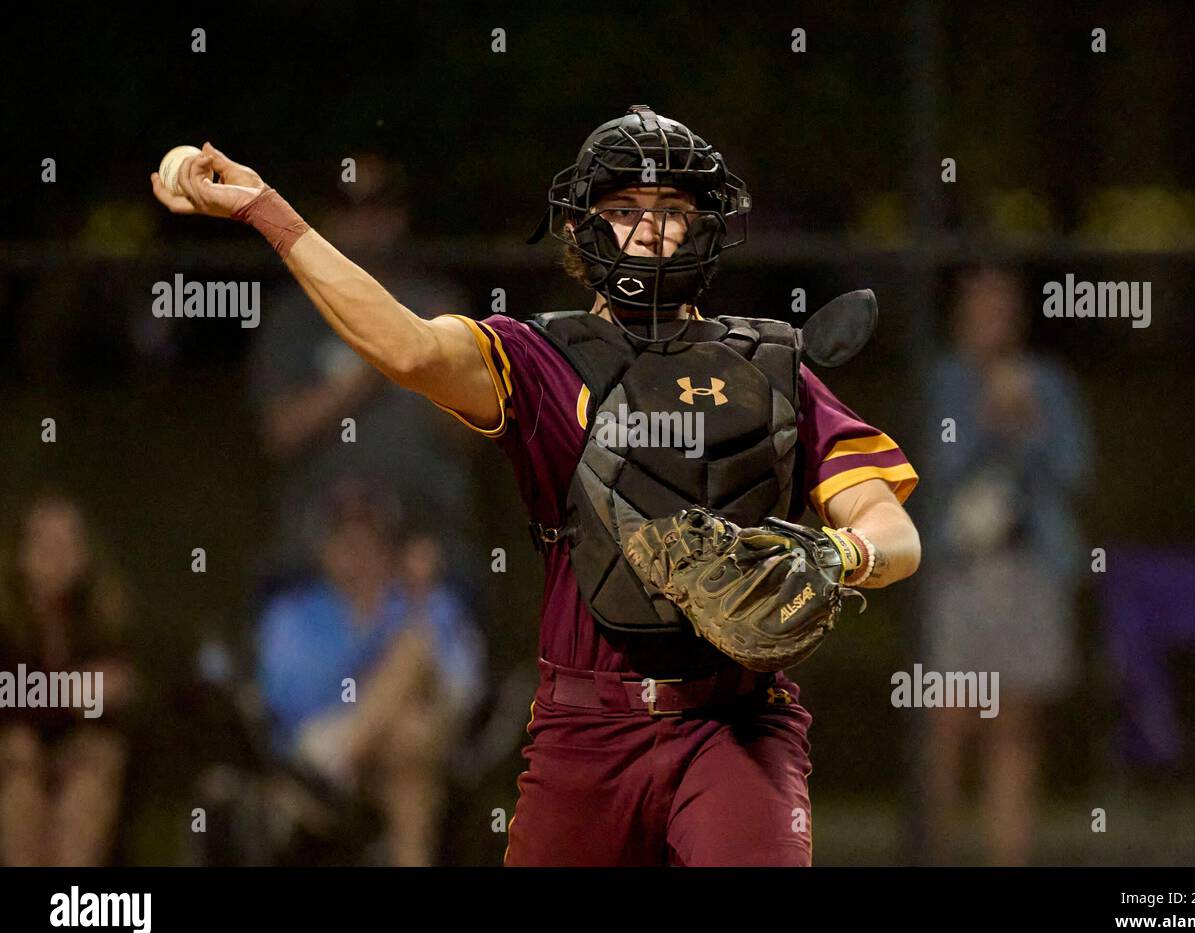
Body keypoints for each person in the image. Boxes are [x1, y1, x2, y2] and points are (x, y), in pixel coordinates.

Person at [151, 105, 921, 867]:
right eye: (624, 209)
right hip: (584, 735)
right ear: (583, 227)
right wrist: (267, 209)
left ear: (707, 225)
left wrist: (835, 556)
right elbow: (408, 347)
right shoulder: (537, 357)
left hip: (736, 726)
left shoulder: (770, 366)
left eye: (672, 209)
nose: (649, 227)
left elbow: (892, 531)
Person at [920, 267, 1093, 865]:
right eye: (980, 308)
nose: (992, 321)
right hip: (961, 570)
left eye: (1002, 308)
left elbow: (1075, 471)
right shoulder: (940, 380)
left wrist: (1027, 425)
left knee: (1017, 728)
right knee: (949, 724)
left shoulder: (1049, 382)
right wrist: (984, 422)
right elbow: (928, 475)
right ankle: (936, 853)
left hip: (1031, 565)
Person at [246, 154, 478, 588]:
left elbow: (471, 435)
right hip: (314, 555)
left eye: (379, 203)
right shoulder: (293, 315)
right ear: (326, 218)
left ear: (400, 215)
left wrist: (426, 361)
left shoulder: (440, 306)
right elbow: (280, 435)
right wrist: (374, 364)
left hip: (428, 551)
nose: (365, 219)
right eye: (349, 204)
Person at [255, 477, 485, 866]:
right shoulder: (292, 614)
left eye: (371, 541)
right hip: (327, 734)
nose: (359, 554)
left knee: (415, 654)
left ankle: (335, 772)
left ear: (391, 548)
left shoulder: (424, 600)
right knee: (408, 739)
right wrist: (374, 664)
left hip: (363, 751)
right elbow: (287, 697)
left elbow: (464, 686)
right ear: (323, 550)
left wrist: (415, 601)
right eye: (346, 542)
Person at [0, 491, 137, 866]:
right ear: (21, 554)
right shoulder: (7, 624)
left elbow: (118, 693)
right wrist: (68, 693)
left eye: (68, 542)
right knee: (19, 783)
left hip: (78, 763)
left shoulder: (100, 622)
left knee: (91, 781)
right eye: (45, 543)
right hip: (16, 764)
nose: (57, 556)